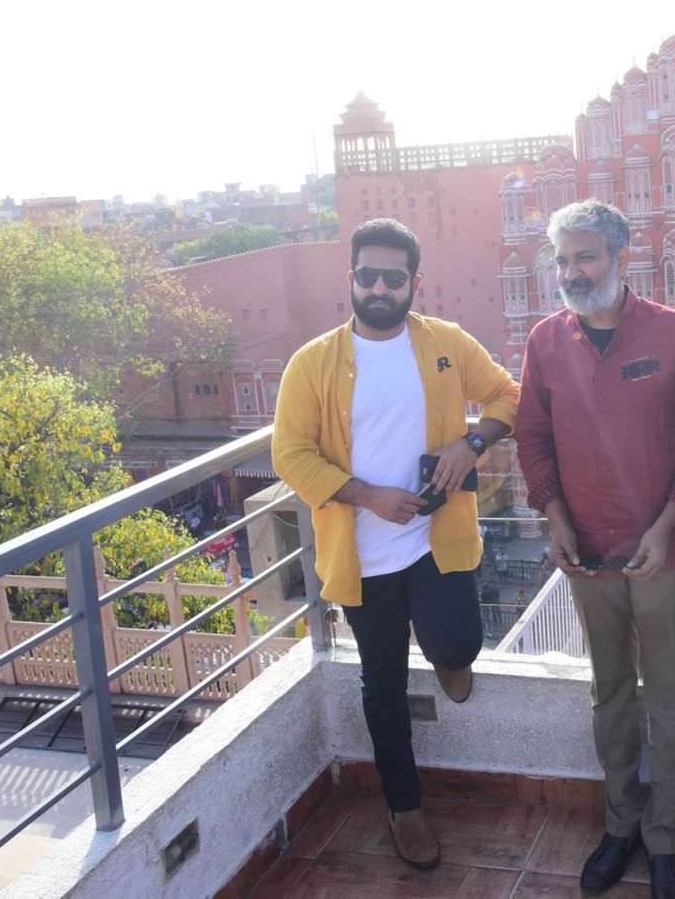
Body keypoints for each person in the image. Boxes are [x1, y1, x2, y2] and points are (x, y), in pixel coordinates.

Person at [271, 218, 520, 870]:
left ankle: (448, 654)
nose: (379, 288)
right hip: (363, 560)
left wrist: (470, 444)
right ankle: (404, 810)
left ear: (414, 283)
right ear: (350, 279)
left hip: (435, 540)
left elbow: (506, 395)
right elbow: (290, 454)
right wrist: (363, 494)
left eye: (393, 277)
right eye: (367, 275)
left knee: (459, 643)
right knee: (382, 687)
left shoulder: (444, 344)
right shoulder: (314, 363)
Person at [514, 199, 675, 899]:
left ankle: (665, 838)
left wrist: (668, 525)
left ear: (620, 256)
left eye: (585, 257)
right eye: (562, 260)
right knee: (609, 694)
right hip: (586, 553)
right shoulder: (546, 342)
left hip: (663, 551)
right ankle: (620, 827)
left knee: (668, 695)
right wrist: (553, 516)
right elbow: (533, 439)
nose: (572, 272)